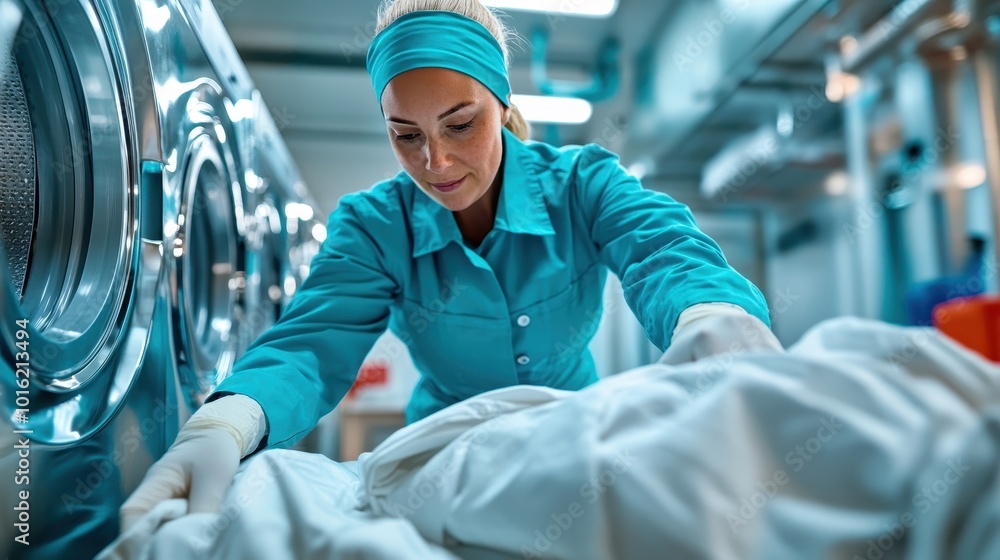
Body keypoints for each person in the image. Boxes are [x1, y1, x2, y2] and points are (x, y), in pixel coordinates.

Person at [119, 0, 782, 532]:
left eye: (460, 124)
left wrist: (714, 317)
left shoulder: (582, 184)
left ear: (501, 103)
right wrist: (226, 420)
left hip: (573, 435)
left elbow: (663, 250)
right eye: (405, 135)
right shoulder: (377, 226)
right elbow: (312, 344)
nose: (435, 164)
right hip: (442, 455)